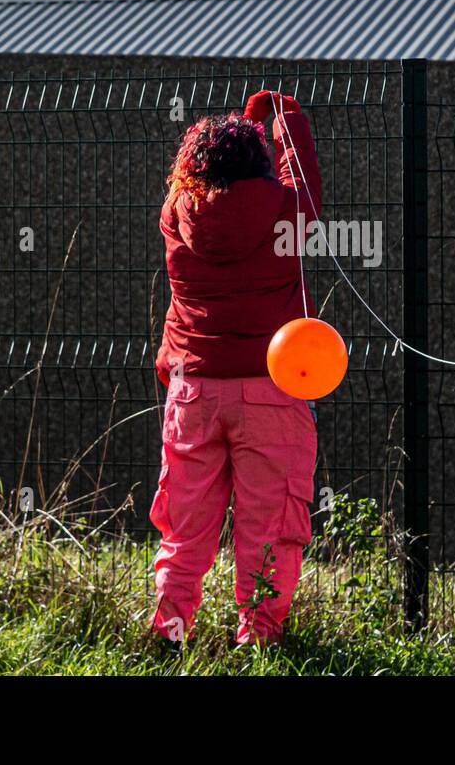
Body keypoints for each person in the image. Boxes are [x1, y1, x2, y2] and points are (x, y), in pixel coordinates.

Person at [150, 90, 321, 646]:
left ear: (192, 167)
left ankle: (170, 634)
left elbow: (203, 195)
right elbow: (304, 187)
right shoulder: (283, 212)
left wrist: (239, 132)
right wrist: (284, 122)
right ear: (259, 169)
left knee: (186, 527)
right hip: (272, 390)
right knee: (269, 527)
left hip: (193, 391)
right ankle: (260, 642)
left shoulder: (177, 213)